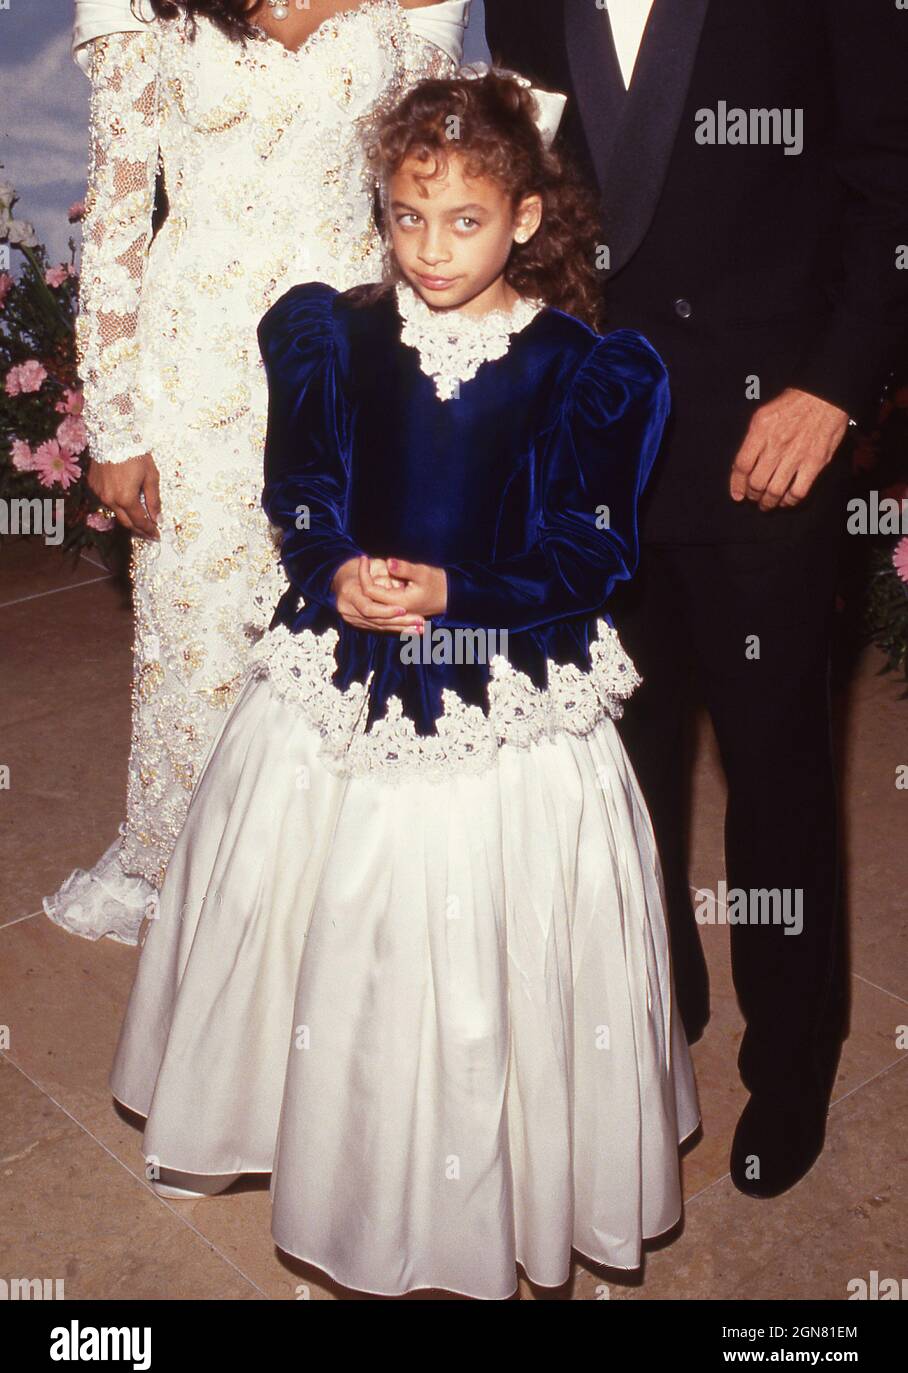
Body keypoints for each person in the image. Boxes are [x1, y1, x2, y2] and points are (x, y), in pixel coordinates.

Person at [105, 70, 699, 1300]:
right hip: (343, 664)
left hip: (502, 677)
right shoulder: (334, 334)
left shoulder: (583, 368)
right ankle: (288, 1123)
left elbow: (589, 550)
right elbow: (302, 490)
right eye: (406, 217)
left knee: (474, 944)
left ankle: (472, 1186)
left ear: (523, 218)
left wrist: (453, 591)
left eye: (464, 221)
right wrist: (331, 569)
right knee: (316, 917)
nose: (430, 249)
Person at [484, 0, 908, 1197]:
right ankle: (655, 1002)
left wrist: (833, 389)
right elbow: (523, 200)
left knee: (774, 771)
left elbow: (892, 188)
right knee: (622, 760)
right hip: (592, 448)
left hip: (766, 440)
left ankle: (790, 1063)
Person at [44, 0, 470, 945]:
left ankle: (335, 879)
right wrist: (114, 421)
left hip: (357, 355)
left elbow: (430, 181)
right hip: (196, 360)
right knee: (195, 628)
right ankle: (192, 877)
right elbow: (116, 210)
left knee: (346, 616)